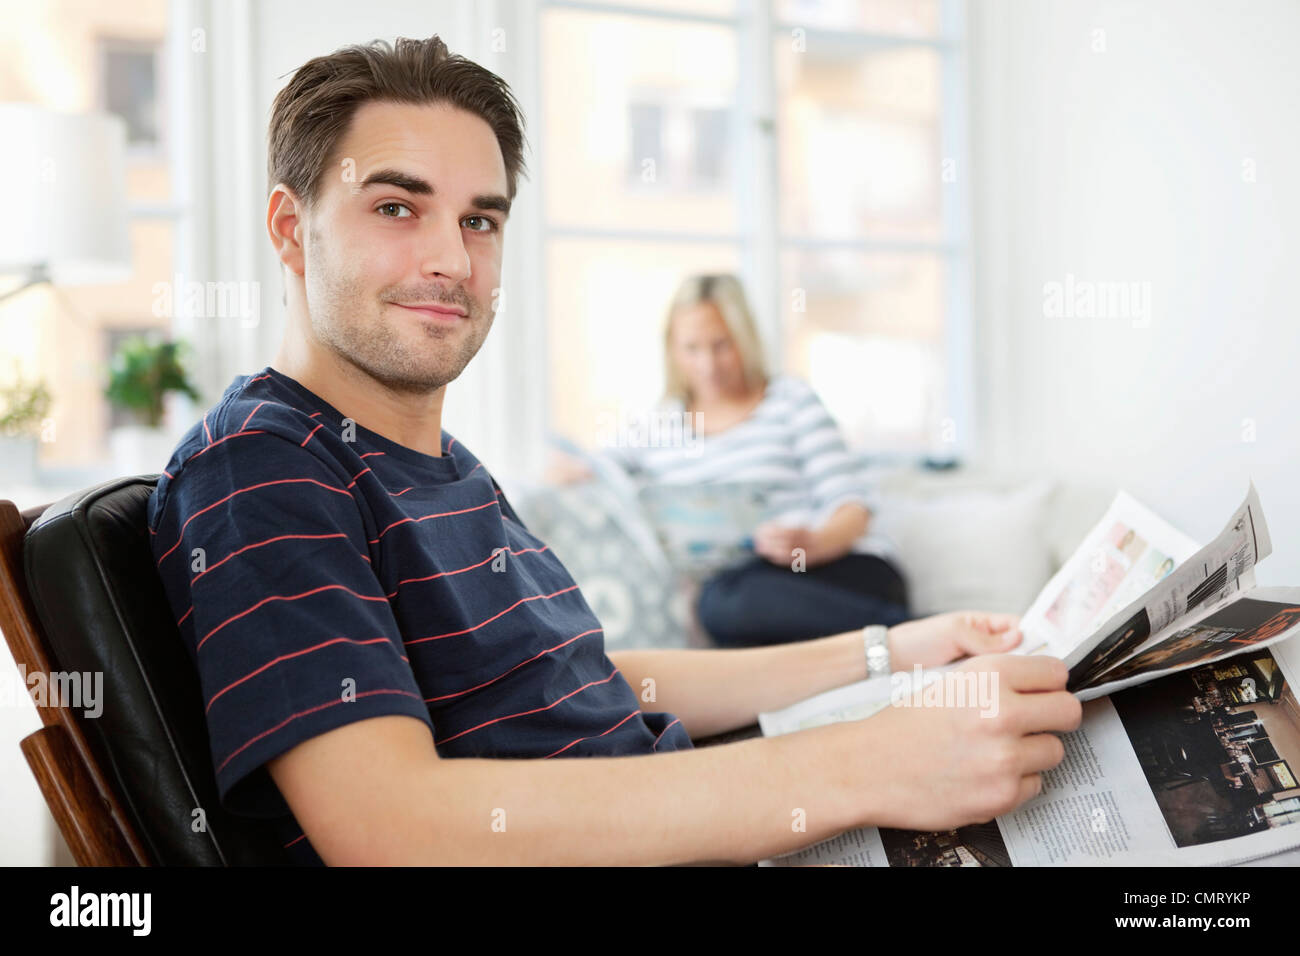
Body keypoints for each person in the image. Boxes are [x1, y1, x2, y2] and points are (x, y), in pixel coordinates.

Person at [147, 34, 1080, 867]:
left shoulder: (446, 468)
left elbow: (593, 681)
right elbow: (393, 827)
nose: (453, 261)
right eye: (397, 208)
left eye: (479, 220)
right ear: (291, 229)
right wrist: (866, 764)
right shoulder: (259, 467)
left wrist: (889, 654)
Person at [592, 272, 910, 647]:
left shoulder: (790, 400)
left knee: (725, 604)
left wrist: (813, 543)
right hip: (747, 596)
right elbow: (595, 466)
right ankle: (900, 640)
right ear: (672, 350)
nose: (708, 364)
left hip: (836, 572)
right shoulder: (656, 426)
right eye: (692, 349)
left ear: (745, 339)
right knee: (727, 612)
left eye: (721, 345)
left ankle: (917, 631)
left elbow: (853, 507)